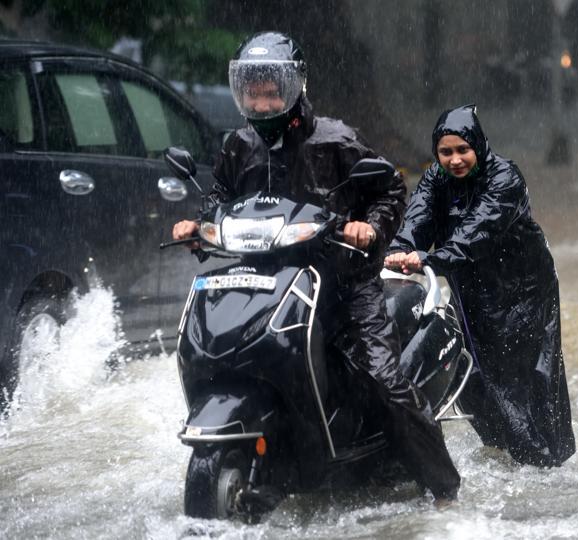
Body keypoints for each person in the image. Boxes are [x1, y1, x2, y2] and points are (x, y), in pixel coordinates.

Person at [170, 32, 460, 504]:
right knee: (221, 349)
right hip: (268, 283)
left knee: (386, 383)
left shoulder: (336, 140)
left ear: (294, 89)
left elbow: (390, 189)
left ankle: (446, 491)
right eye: (252, 91)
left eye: (271, 91)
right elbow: (219, 202)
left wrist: (369, 227)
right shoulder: (238, 145)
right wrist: (198, 227)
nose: (261, 102)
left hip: (344, 283)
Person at [384, 105, 575, 468]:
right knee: (471, 375)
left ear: (479, 146)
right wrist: (400, 249)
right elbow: (416, 220)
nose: (455, 160)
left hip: (524, 292)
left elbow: (476, 233)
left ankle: (545, 463)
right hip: (471, 286)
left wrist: (429, 260)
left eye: (462, 151)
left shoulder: (505, 177)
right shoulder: (435, 180)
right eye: (446, 152)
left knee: (525, 377)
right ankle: (504, 451)